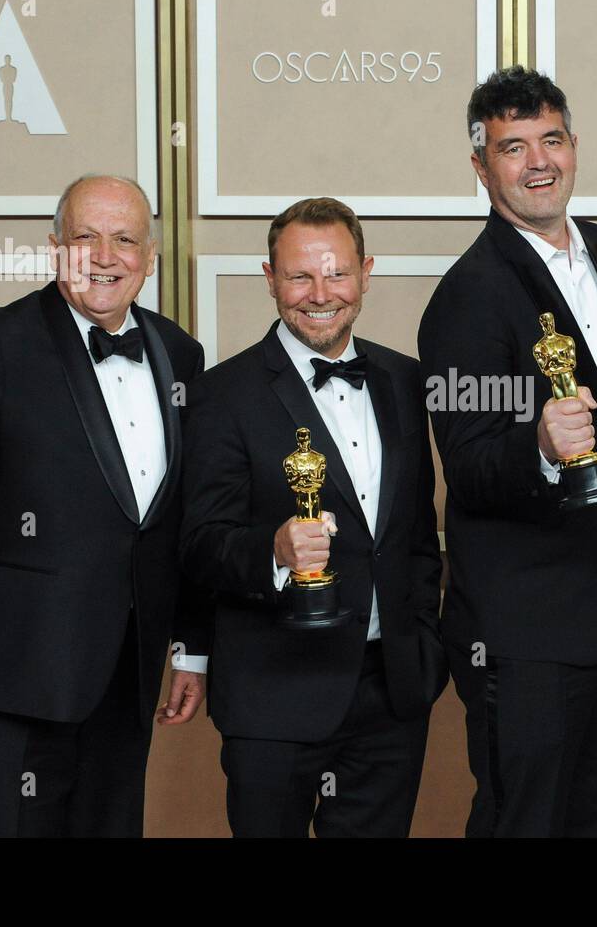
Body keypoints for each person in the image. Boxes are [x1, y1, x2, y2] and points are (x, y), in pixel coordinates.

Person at [0, 174, 207, 837]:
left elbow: (186, 517)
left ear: (150, 256)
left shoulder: (180, 354)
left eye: (124, 239)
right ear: (56, 248)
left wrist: (192, 648)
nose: (105, 256)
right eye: (85, 237)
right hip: (18, 672)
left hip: (128, 672)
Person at [417, 66, 597, 837]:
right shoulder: (468, 295)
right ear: (480, 165)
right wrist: (536, 444)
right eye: (512, 146)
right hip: (527, 621)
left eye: (551, 140)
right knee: (523, 819)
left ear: (573, 145)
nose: (537, 161)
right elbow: (466, 467)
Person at [179, 197, 446, 837]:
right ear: (270, 279)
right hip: (274, 692)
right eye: (300, 276)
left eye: (337, 273)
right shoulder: (221, 395)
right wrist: (272, 551)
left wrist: (427, 648)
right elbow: (199, 545)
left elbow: (414, 537)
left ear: (366, 272)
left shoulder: (405, 381)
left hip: (393, 691)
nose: (320, 293)